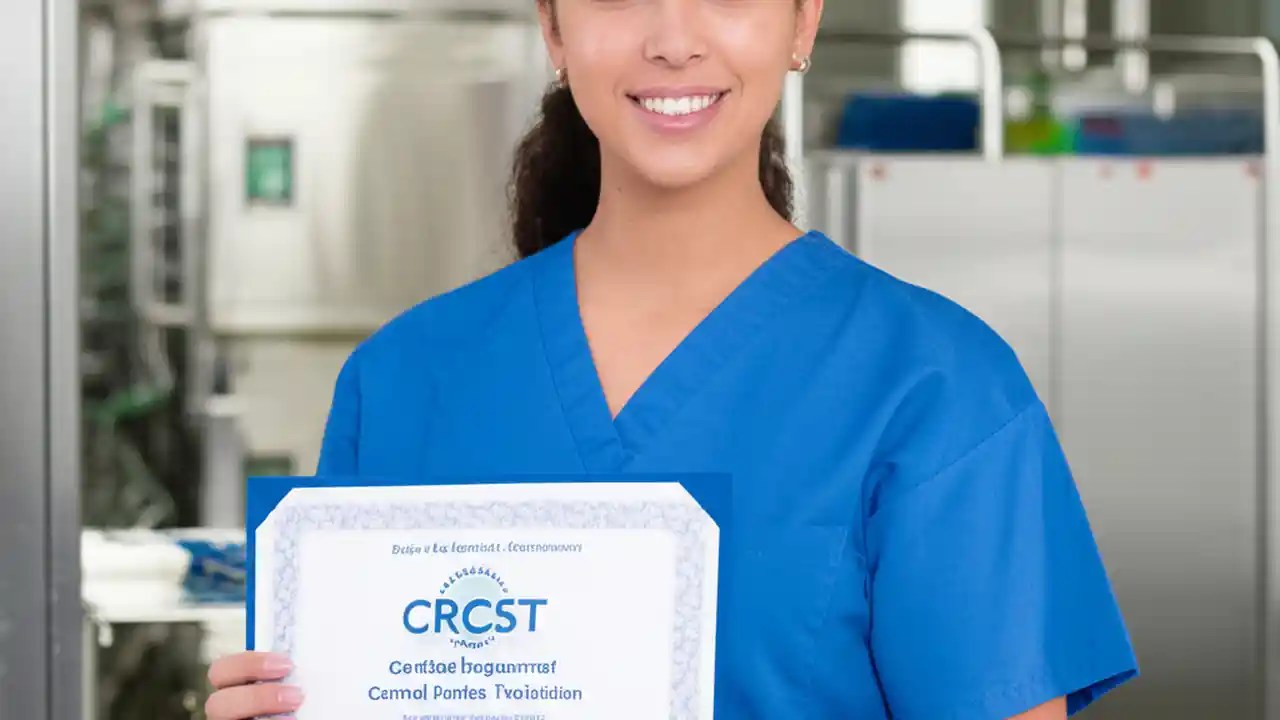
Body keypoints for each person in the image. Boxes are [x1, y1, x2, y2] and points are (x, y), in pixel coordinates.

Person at [205, 0, 1138, 717]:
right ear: (555, 29)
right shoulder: (405, 378)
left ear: (803, 19)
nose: (673, 39)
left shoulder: (938, 392)